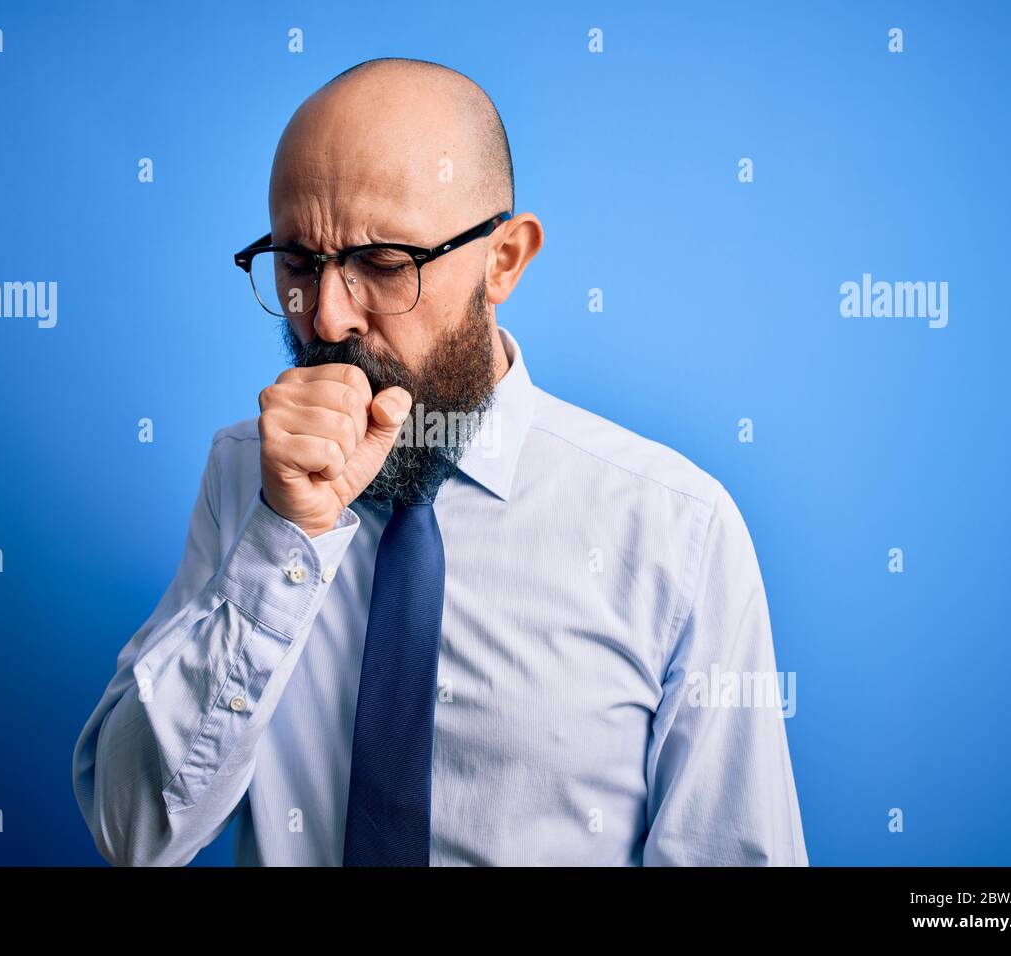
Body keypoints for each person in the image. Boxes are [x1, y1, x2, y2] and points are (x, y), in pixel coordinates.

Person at [72, 57, 808, 866]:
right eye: (298, 263)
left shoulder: (675, 529)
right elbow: (133, 831)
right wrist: (284, 538)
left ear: (504, 261)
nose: (327, 315)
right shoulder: (246, 477)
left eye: (383, 265)